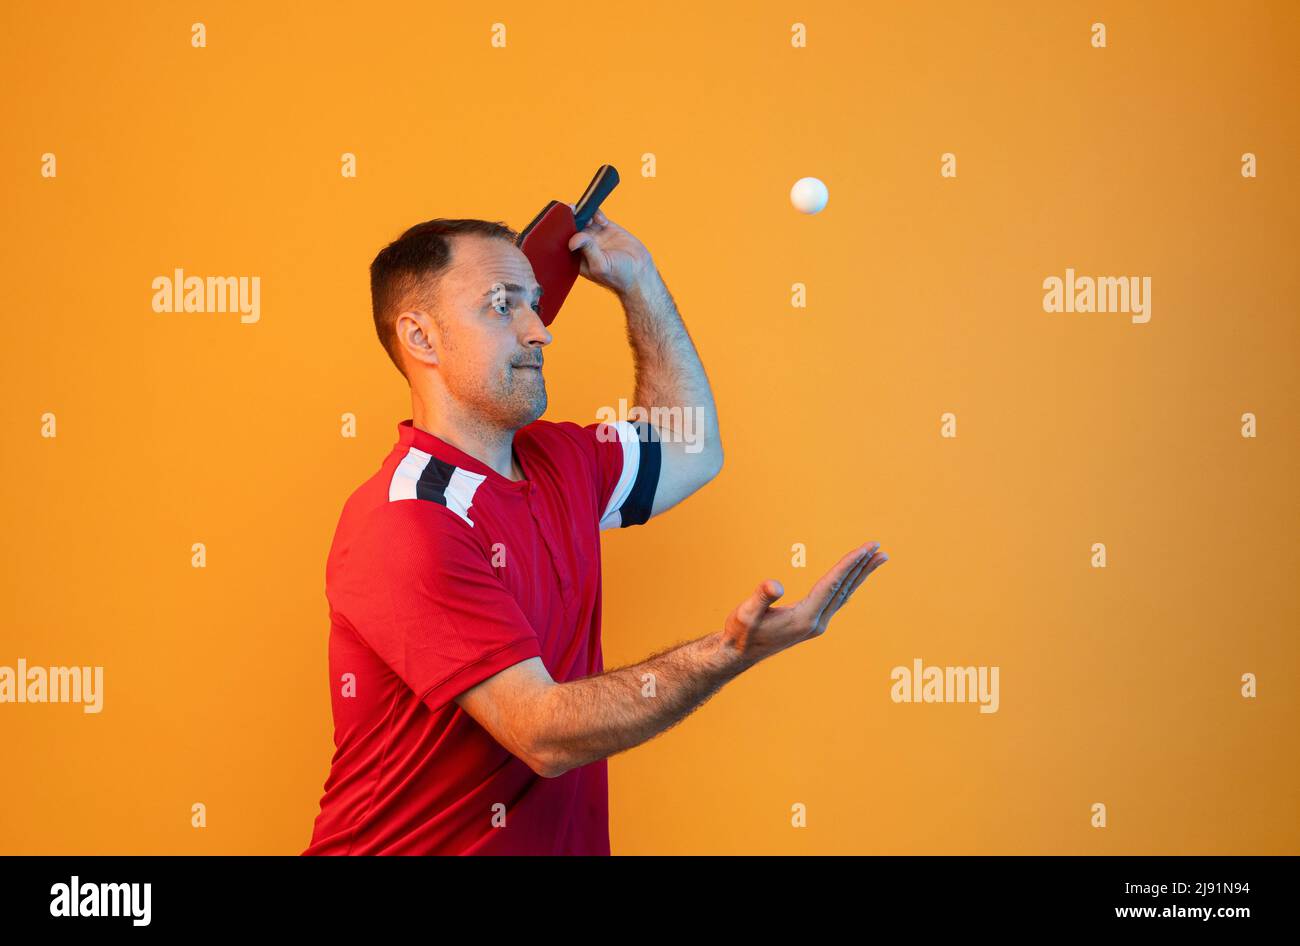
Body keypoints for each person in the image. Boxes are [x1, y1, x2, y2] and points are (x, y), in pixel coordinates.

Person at [303, 209, 888, 855]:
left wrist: (640, 283)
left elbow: (689, 448)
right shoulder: (408, 520)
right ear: (421, 338)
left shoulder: (560, 461)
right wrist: (727, 654)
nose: (538, 331)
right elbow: (542, 734)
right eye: (501, 306)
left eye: (536, 304)